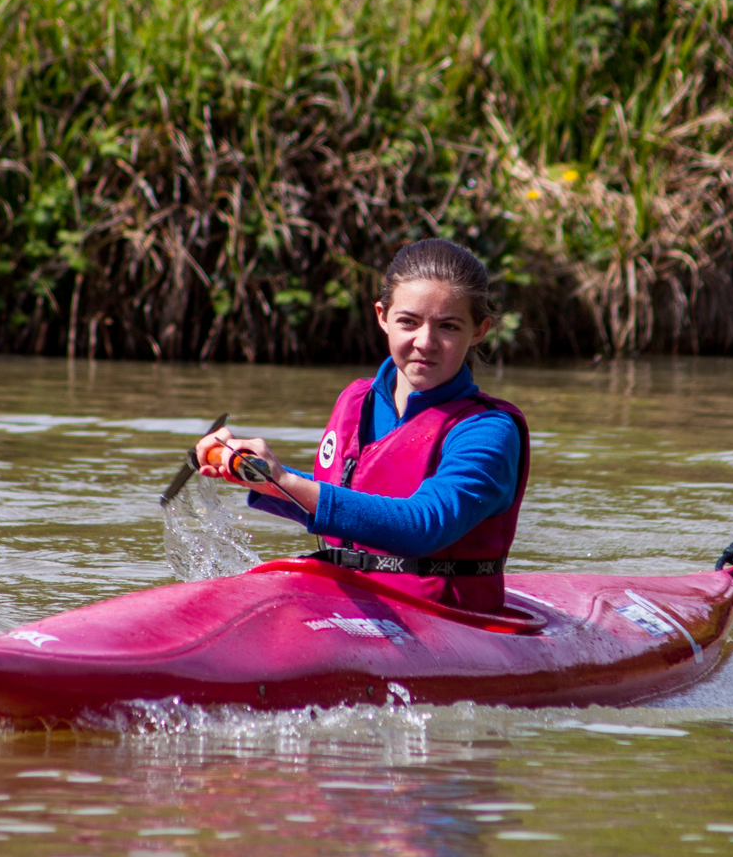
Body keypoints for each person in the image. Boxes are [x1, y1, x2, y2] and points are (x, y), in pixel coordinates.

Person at [194, 239, 529, 613]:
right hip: (349, 597)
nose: (426, 341)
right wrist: (254, 473)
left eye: (448, 327)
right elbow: (337, 499)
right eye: (408, 322)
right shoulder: (357, 400)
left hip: (448, 617)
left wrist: (286, 482)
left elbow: (424, 527)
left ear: (479, 330)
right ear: (382, 316)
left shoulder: (488, 431)